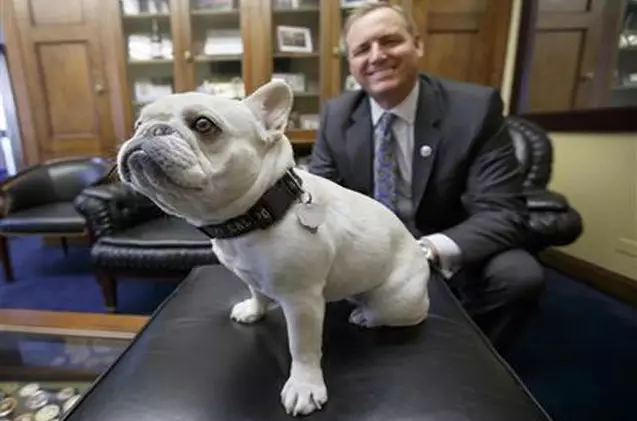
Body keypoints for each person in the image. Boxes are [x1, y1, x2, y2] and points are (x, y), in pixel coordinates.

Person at [308, 3, 545, 349]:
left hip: (447, 239)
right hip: (367, 248)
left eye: (389, 41)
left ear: (417, 45)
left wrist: (427, 250)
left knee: (519, 276)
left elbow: (503, 212)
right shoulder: (336, 116)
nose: (376, 56)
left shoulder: (475, 109)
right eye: (361, 49)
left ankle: (471, 357)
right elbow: (319, 198)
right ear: (352, 64)